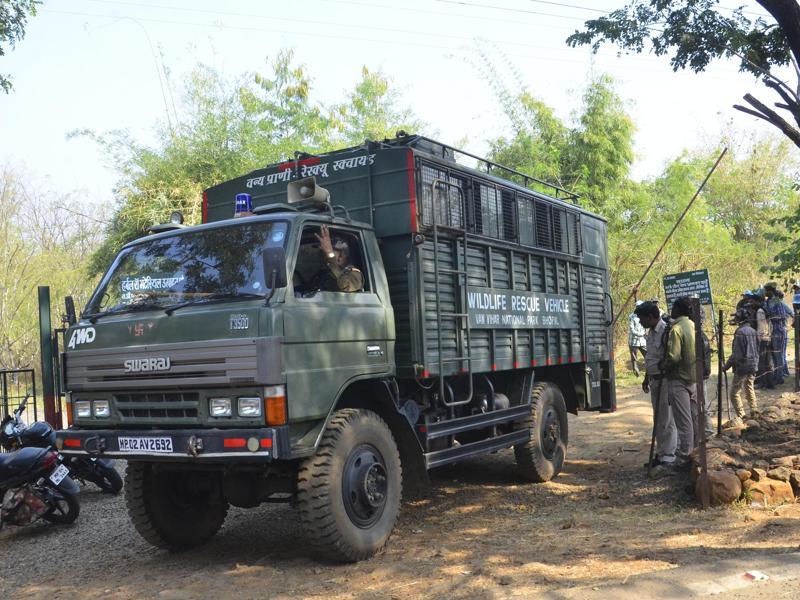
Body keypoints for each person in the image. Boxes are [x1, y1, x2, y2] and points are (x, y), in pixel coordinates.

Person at [635, 301, 677, 469]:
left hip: (665, 380)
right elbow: (651, 357)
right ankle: (661, 453)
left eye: (641, 318)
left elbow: (669, 358)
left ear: (651, 317)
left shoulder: (666, 331)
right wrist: (647, 377)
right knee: (658, 418)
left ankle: (669, 455)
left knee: (667, 418)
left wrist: (661, 371)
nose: (640, 322)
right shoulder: (651, 332)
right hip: (654, 380)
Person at [663, 297, 698, 467]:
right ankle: (696, 451)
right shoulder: (692, 325)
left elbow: (673, 357)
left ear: (677, 309)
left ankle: (685, 456)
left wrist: (663, 365)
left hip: (679, 379)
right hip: (693, 377)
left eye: (673, 308)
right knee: (693, 417)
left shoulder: (676, 329)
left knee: (683, 422)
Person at [722, 308, 760, 428]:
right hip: (753, 364)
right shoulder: (754, 331)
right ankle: (754, 410)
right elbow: (758, 349)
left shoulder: (740, 332)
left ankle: (742, 415)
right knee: (749, 387)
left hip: (742, 366)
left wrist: (726, 366)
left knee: (734, 393)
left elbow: (737, 354)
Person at [314, 225, 364, 292]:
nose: (323, 256)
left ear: (342, 255)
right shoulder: (325, 273)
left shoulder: (354, 274)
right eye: (322, 253)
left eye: (325, 253)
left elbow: (346, 286)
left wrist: (330, 254)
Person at [764, 282, 792, 385]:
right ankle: (776, 375)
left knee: (778, 354)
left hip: (778, 330)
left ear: (771, 291)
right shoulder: (768, 302)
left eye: (766, 290)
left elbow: (783, 316)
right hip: (772, 331)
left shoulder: (777, 301)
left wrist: (771, 317)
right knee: (774, 354)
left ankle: (779, 377)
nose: (765, 292)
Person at [628, 301, 648, 376]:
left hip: (642, 340)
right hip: (633, 340)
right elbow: (632, 329)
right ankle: (636, 372)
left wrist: (646, 333)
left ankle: (648, 370)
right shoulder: (631, 316)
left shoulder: (645, 315)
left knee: (647, 355)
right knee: (634, 358)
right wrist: (641, 334)